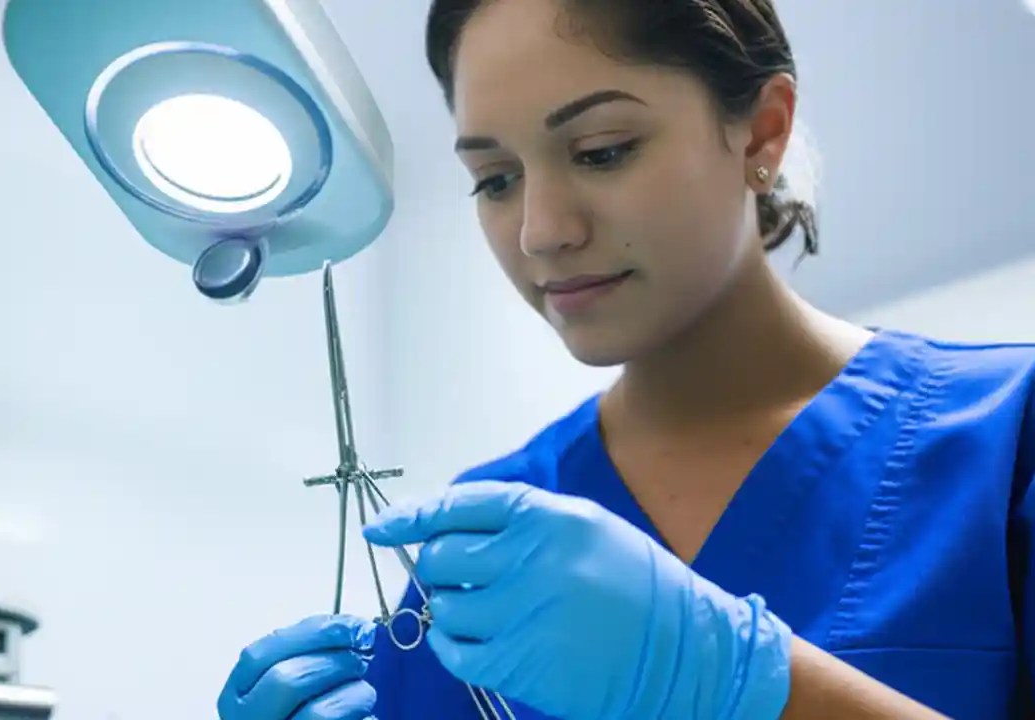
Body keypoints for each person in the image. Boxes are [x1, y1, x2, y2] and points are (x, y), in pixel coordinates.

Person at [217, 0, 1035, 717]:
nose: (541, 230)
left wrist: (743, 685)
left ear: (763, 129)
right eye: (495, 179)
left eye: (601, 150)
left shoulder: (1006, 437)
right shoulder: (485, 540)